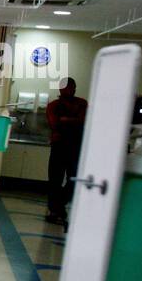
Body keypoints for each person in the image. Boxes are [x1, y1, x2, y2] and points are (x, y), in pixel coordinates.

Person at [45, 77, 88, 223]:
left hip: (76, 147)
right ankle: (54, 211)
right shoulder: (53, 105)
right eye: (64, 87)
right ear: (60, 89)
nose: (68, 90)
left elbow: (83, 120)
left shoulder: (82, 103)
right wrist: (71, 121)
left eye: (70, 87)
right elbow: (54, 123)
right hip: (59, 146)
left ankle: (58, 206)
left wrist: (65, 120)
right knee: (54, 180)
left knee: (74, 179)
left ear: (75, 88)